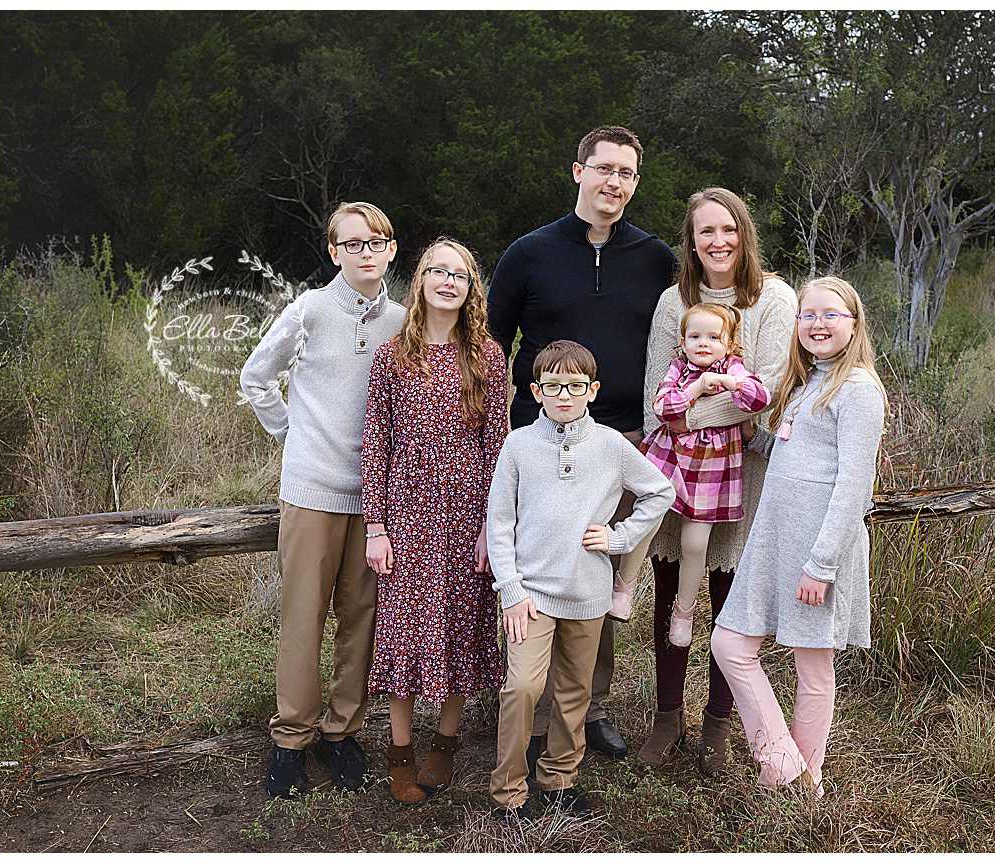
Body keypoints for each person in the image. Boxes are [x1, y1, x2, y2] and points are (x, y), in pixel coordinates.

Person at [488, 125, 677, 762]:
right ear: (578, 172)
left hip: (620, 441)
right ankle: (525, 698)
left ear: (635, 182)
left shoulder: (654, 259)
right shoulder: (529, 254)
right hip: (536, 437)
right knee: (537, 565)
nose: (614, 183)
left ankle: (588, 707)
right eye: (603, 169)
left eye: (626, 173)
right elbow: (490, 347)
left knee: (594, 574)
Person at [240, 201, 406, 798]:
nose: (367, 251)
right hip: (311, 491)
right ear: (334, 252)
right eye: (354, 243)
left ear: (391, 250)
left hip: (377, 500)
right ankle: (291, 739)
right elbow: (255, 376)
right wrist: (292, 437)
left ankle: (342, 732)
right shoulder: (309, 310)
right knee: (303, 617)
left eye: (378, 242)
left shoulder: (403, 323)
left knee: (362, 620)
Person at [635, 187, 797, 775]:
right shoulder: (670, 303)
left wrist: (690, 405)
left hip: (744, 475)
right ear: (692, 241)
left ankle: (718, 724)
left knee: (733, 603)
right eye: (706, 232)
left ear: (744, 234)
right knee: (671, 596)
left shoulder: (776, 300)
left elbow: (768, 392)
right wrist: (696, 404)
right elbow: (656, 404)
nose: (718, 242)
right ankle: (667, 716)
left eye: (728, 230)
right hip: (678, 476)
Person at [711, 276, 887, 795]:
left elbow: (854, 487)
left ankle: (794, 780)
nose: (817, 324)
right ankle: (788, 768)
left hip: (817, 552)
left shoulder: (856, 391)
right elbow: (796, 457)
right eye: (807, 315)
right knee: (730, 643)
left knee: (812, 668)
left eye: (831, 314)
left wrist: (823, 565)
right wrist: (753, 437)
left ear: (853, 324)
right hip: (775, 542)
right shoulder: (808, 383)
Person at [486, 340, 674, 822]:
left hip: (587, 593)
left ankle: (559, 778)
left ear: (592, 390)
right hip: (530, 595)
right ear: (536, 390)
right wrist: (509, 588)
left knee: (575, 690)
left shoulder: (611, 445)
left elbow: (660, 491)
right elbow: (499, 522)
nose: (563, 394)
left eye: (574, 386)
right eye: (553, 385)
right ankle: (509, 789)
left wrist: (618, 537)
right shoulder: (519, 444)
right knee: (523, 686)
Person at [361, 238, 508, 806]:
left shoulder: (487, 356)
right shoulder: (394, 354)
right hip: (406, 512)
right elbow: (376, 443)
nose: (449, 281)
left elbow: (497, 446)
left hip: (468, 511)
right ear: (419, 279)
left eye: (462, 274)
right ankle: (399, 753)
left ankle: (445, 742)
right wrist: (377, 527)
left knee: (464, 627)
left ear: (472, 289)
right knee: (401, 630)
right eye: (438, 271)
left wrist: (491, 529)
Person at [610, 302, 770, 648]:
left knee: (695, 543)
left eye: (714, 337)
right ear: (682, 341)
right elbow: (664, 409)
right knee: (647, 521)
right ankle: (625, 584)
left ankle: (684, 611)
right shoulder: (678, 370)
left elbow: (759, 398)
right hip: (670, 459)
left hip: (712, 466)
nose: (703, 343)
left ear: (729, 344)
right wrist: (697, 389)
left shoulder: (734, 369)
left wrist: (725, 381)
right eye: (694, 336)